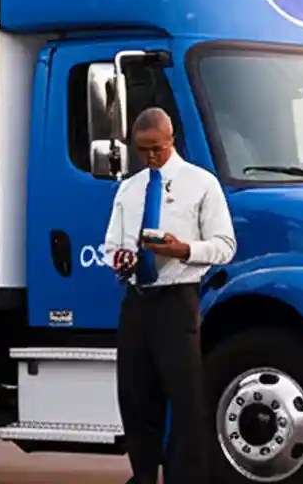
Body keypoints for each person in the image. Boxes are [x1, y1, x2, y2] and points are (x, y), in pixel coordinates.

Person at [102, 106, 237, 484]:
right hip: (137, 300)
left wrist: (183, 250)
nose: (150, 157)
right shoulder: (129, 189)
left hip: (177, 299)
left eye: (156, 149)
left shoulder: (201, 184)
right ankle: (143, 473)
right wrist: (121, 259)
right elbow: (111, 243)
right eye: (142, 150)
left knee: (183, 395)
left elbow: (226, 245)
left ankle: (186, 476)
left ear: (171, 140)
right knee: (134, 393)